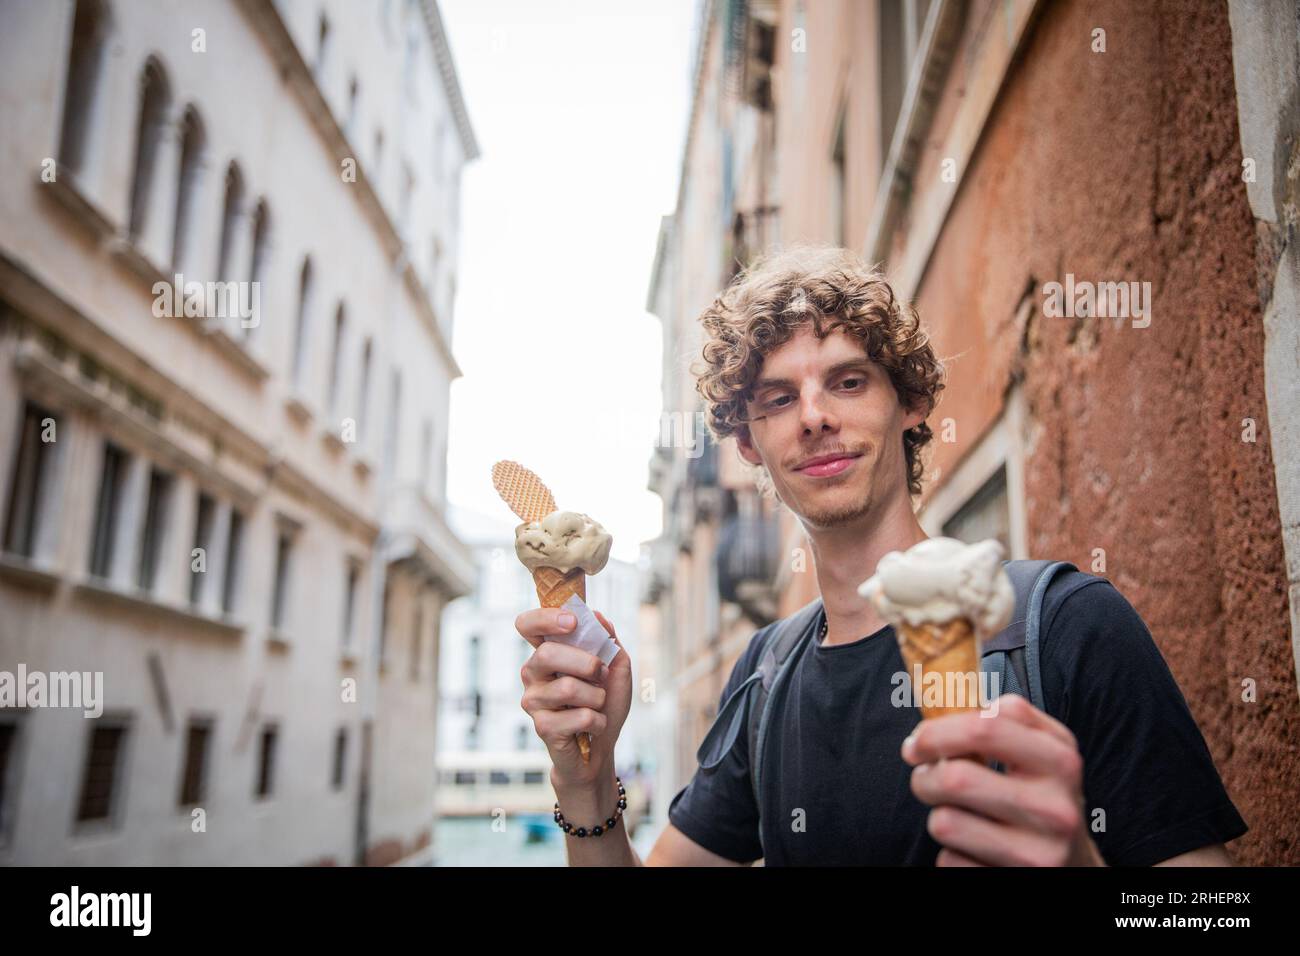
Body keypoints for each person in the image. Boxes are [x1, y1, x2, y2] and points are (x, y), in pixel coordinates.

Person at [516, 245, 1248, 866]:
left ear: (912, 402)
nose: (814, 417)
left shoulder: (1066, 626)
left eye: (848, 381)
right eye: (778, 399)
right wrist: (587, 781)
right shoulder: (765, 676)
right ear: (748, 444)